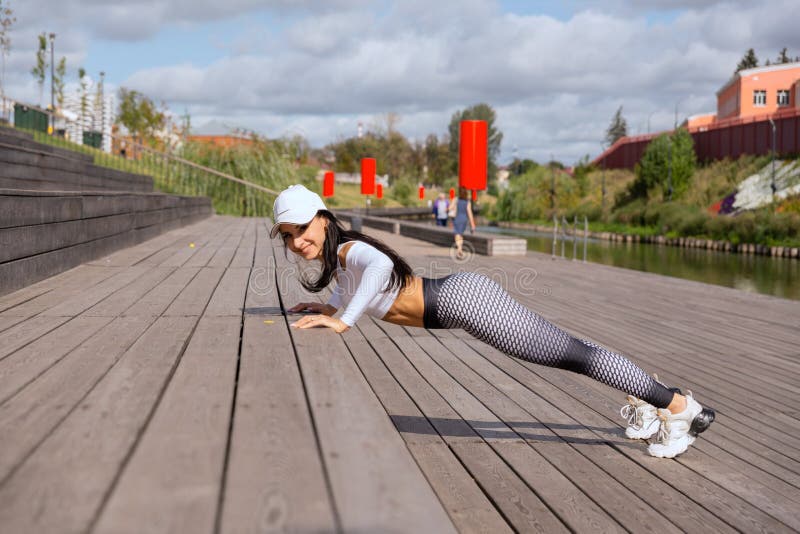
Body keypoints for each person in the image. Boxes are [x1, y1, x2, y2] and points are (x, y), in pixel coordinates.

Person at [271, 184, 715, 458]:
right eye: (288, 236)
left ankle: (678, 408)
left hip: (465, 302)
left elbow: (383, 269)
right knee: (572, 353)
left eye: (302, 228)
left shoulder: (352, 250)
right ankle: (651, 402)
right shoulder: (343, 256)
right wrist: (328, 309)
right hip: (459, 300)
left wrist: (345, 321)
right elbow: (355, 286)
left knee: (573, 356)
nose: (296, 241)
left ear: (325, 218)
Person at [452, 187, 476, 260]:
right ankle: (460, 249)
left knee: (457, 234)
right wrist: (472, 224)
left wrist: (446, 209)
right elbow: (470, 213)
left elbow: (451, 207)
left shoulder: (456, 199)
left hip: (457, 218)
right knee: (461, 235)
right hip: (464, 219)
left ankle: (459, 249)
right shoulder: (467, 202)